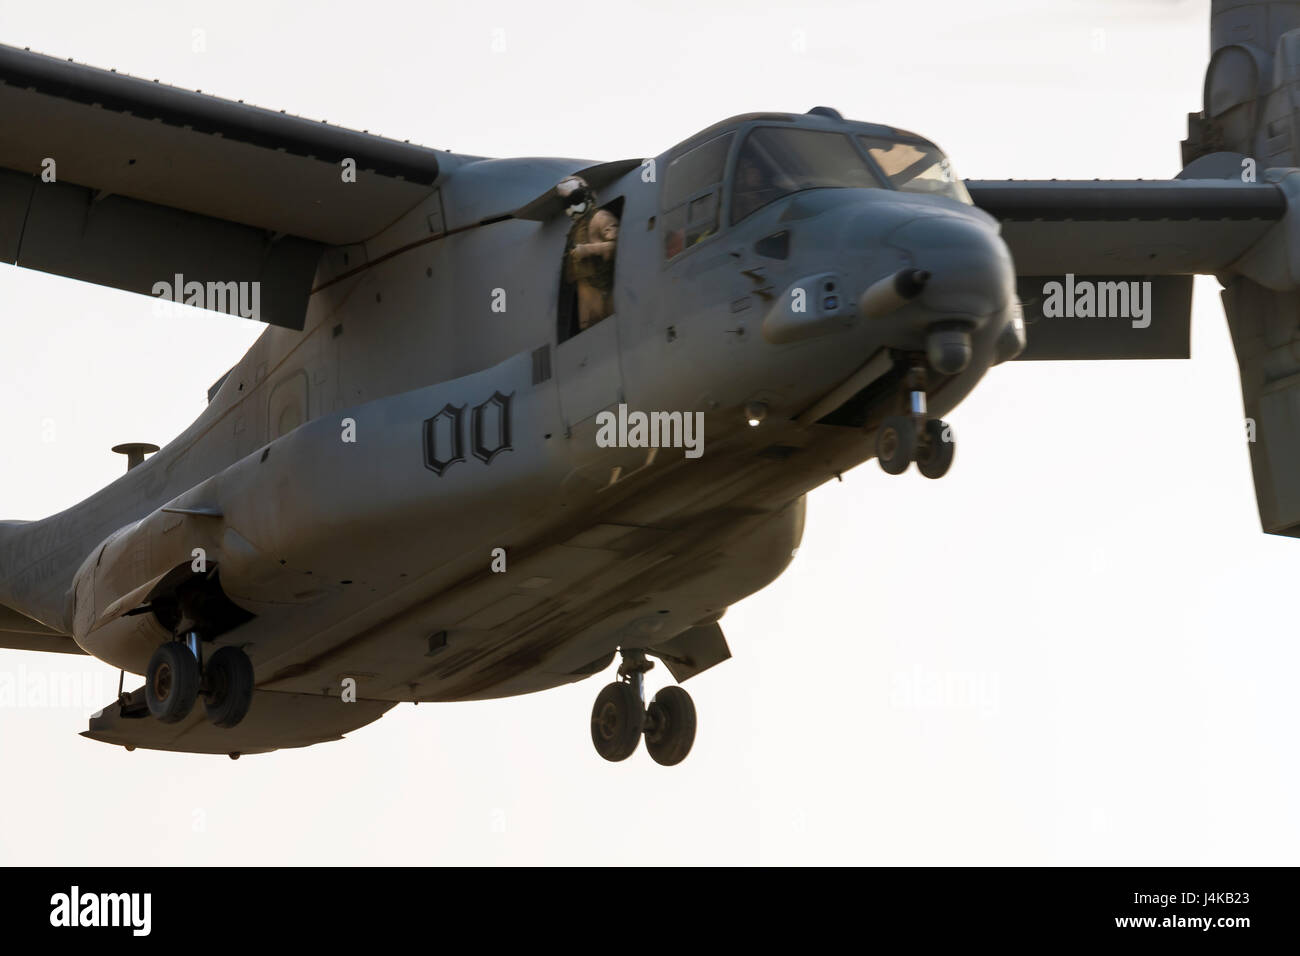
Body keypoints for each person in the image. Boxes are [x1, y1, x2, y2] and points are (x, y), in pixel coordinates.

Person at [562, 180, 619, 330]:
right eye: (569, 206)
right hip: (585, 291)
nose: (573, 210)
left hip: (603, 288)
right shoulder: (574, 231)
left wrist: (587, 250)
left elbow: (617, 246)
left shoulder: (601, 218)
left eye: (576, 202)